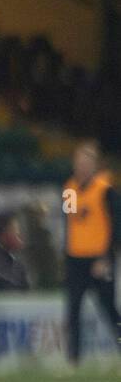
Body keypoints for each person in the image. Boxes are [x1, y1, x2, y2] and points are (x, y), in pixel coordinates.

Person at [62, 141, 121, 365]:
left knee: (109, 309)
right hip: (76, 259)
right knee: (73, 310)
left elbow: (116, 226)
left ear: (95, 165)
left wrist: (106, 257)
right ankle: (73, 360)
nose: (82, 166)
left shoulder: (106, 190)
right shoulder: (69, 189)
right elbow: (69, 224)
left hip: (99, 258)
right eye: (79, 162)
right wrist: (66, 255)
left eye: (87, 162)